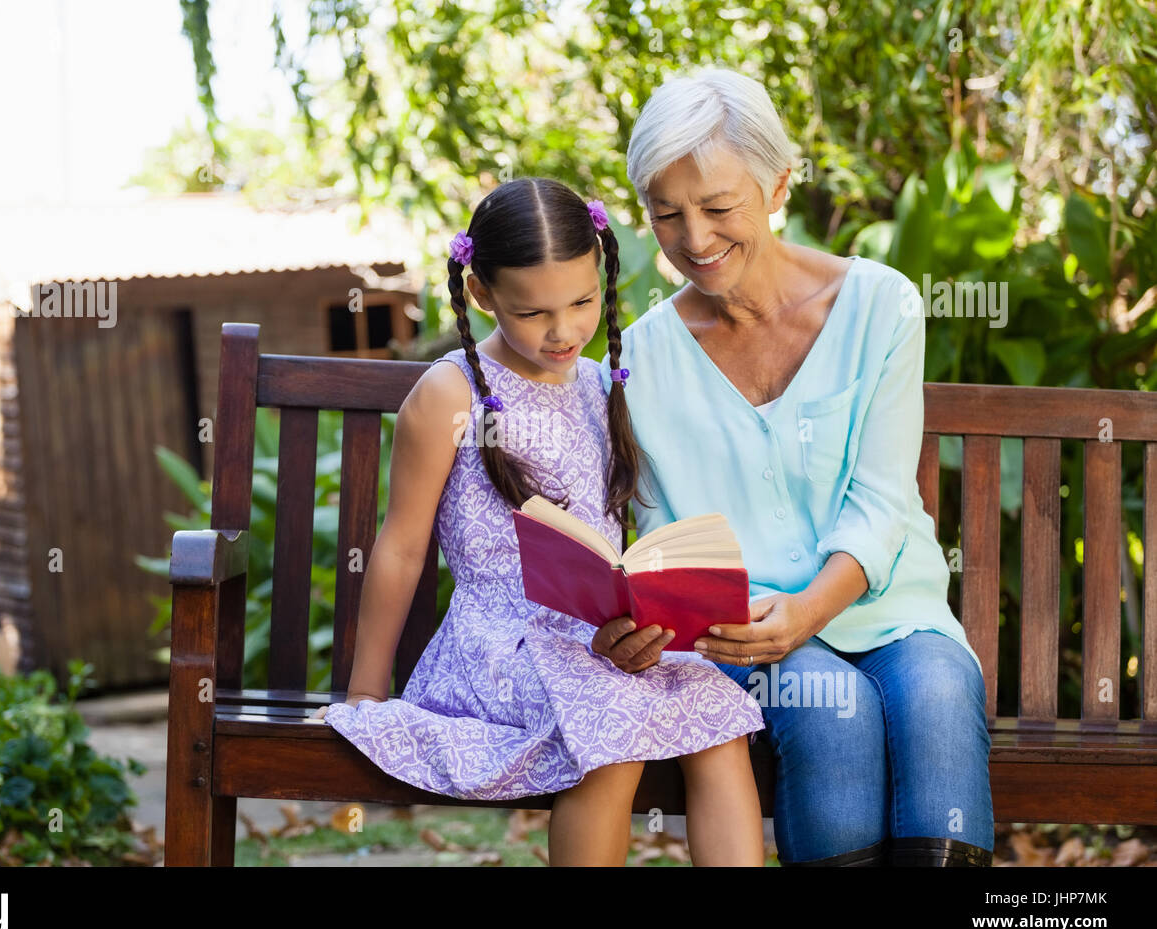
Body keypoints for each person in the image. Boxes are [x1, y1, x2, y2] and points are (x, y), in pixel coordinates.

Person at [593, 67, 994, 866]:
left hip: (890, 609)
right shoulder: (640, 359)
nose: (694, 241)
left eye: (718, 208)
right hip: (743, 629)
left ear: (777, 183)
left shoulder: (881, 305)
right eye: (666, 214)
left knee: (941, 697)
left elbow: (883, 501)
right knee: (832, 710)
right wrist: (643, 621)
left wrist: (813, 609)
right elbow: (661, 533)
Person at [314, 177, 766, 866]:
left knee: (718, 717)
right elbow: (402, 548)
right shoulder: (449, 393)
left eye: (583, 303)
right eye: (533, 313)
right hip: (497, 647)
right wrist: (367, 695)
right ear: (481, 295)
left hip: (601, 640)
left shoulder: (598, 385)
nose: (564, 332)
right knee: (610, 730)